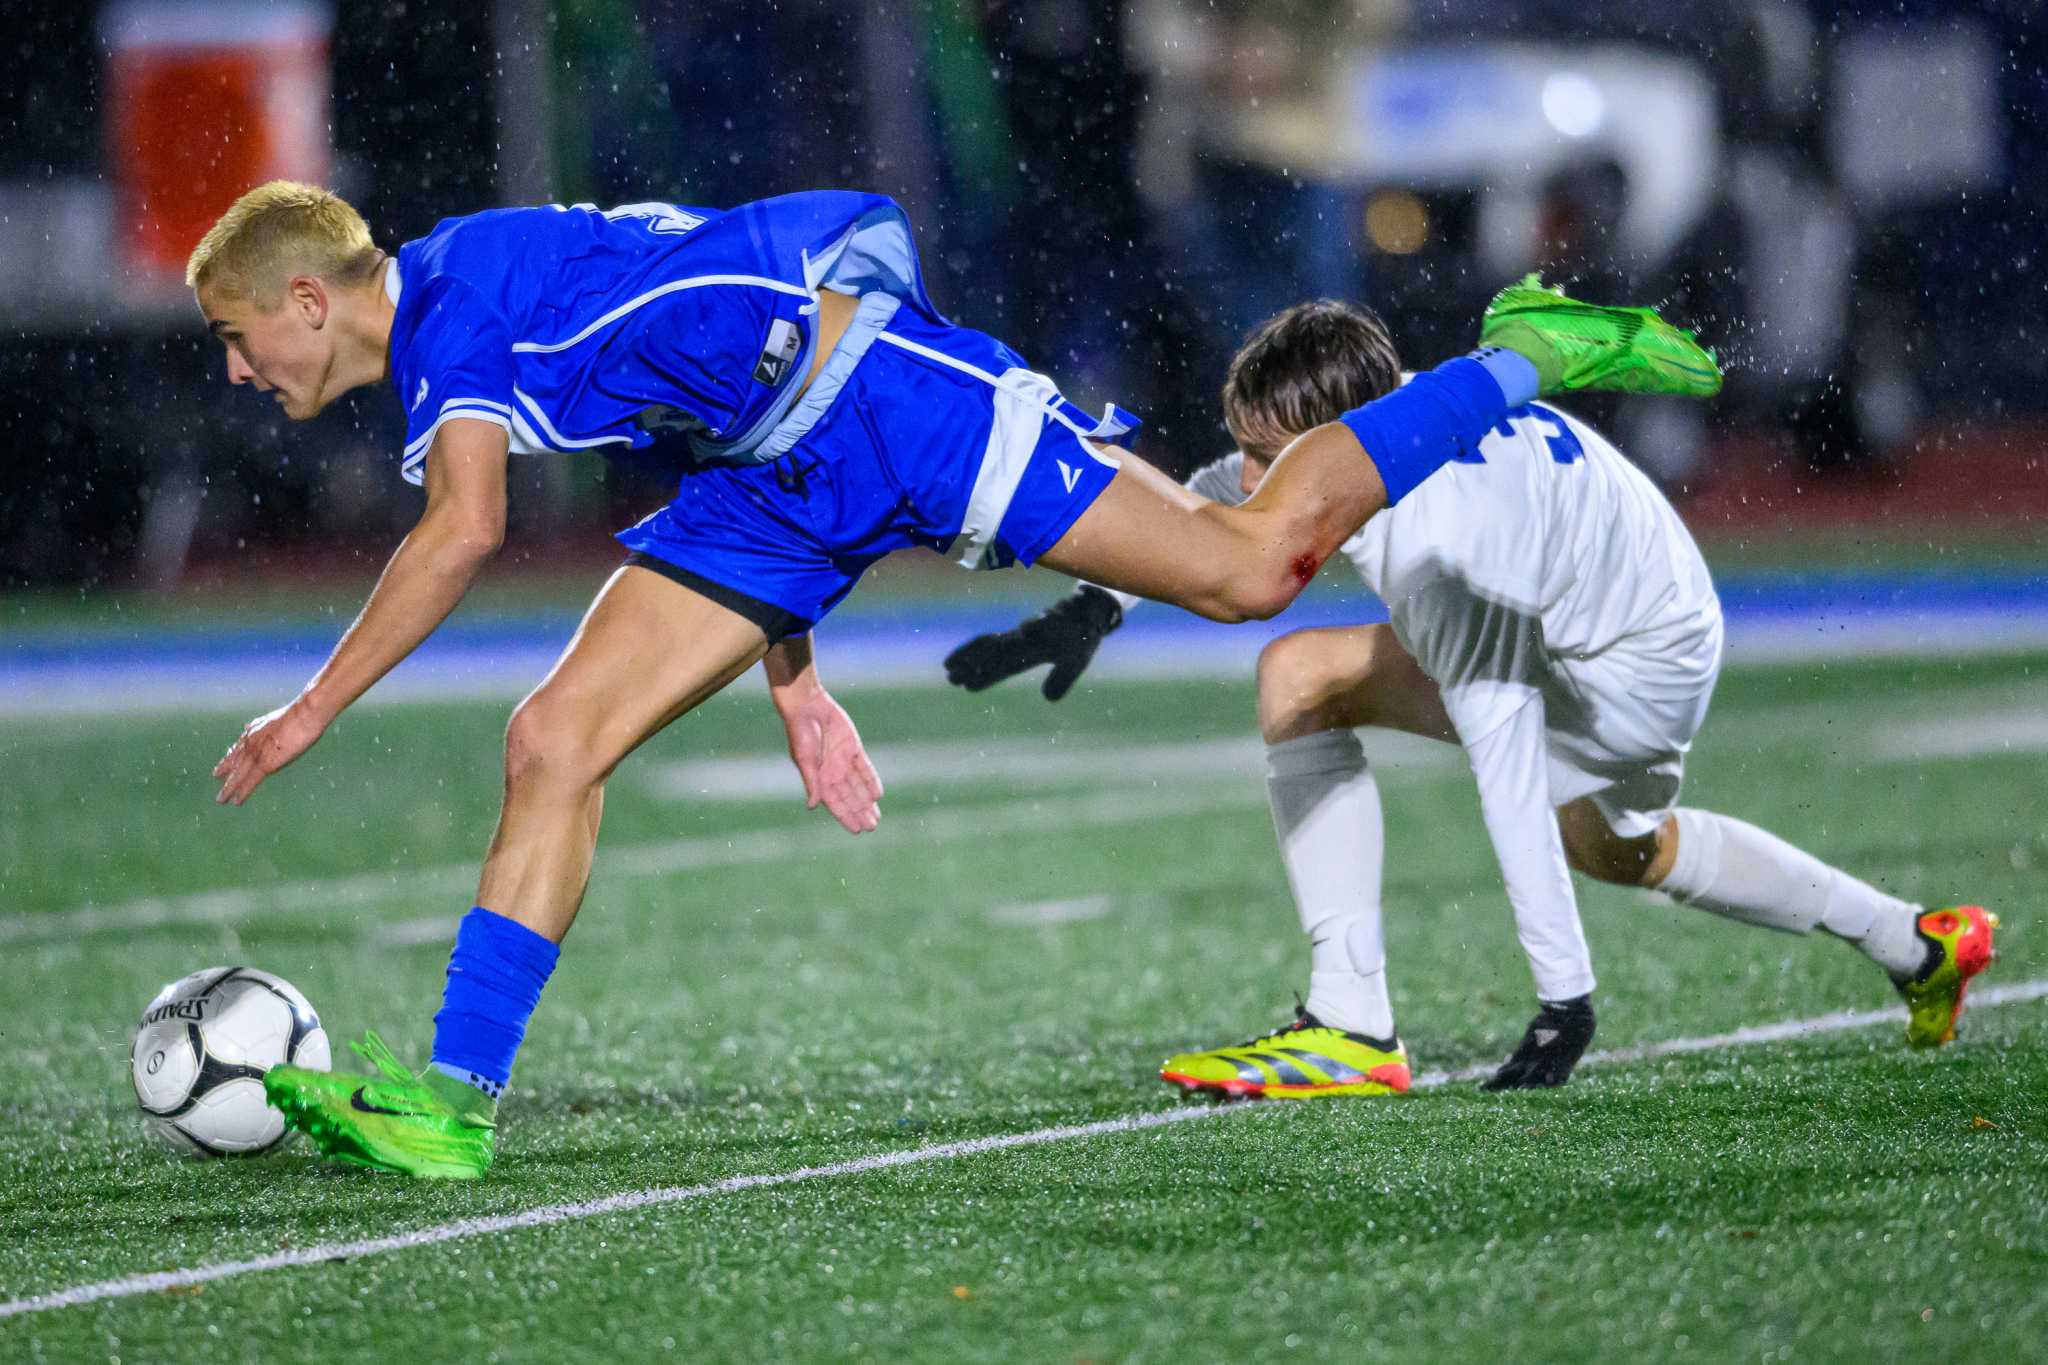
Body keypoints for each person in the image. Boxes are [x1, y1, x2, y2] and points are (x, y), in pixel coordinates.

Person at [188, 182, 1716, 1176]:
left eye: (240, 338)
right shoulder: (469, 285)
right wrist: (793, 677)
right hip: (778, 470)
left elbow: (464, 531)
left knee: (1250, 570)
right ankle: (451, 1108)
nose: (241, 372)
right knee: (556, 737)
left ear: (311, 299)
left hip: (893, 402)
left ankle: (1526, 353)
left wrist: (309, 708)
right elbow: (705, 356)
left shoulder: (453, 319)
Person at [946, 299, 1995, 1097]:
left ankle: (1350, 1026)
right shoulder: (1396, 422)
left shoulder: (1439, 540)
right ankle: (1916, 941)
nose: (1261, 482)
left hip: (1622, 670)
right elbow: (1230, 491)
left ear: (1332, 439)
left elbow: (1504, 762)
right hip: (1633, 625)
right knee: (1621, 846)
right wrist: (1099, 602)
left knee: (1302, 679)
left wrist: (1562, 1001)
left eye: (1278, 457)